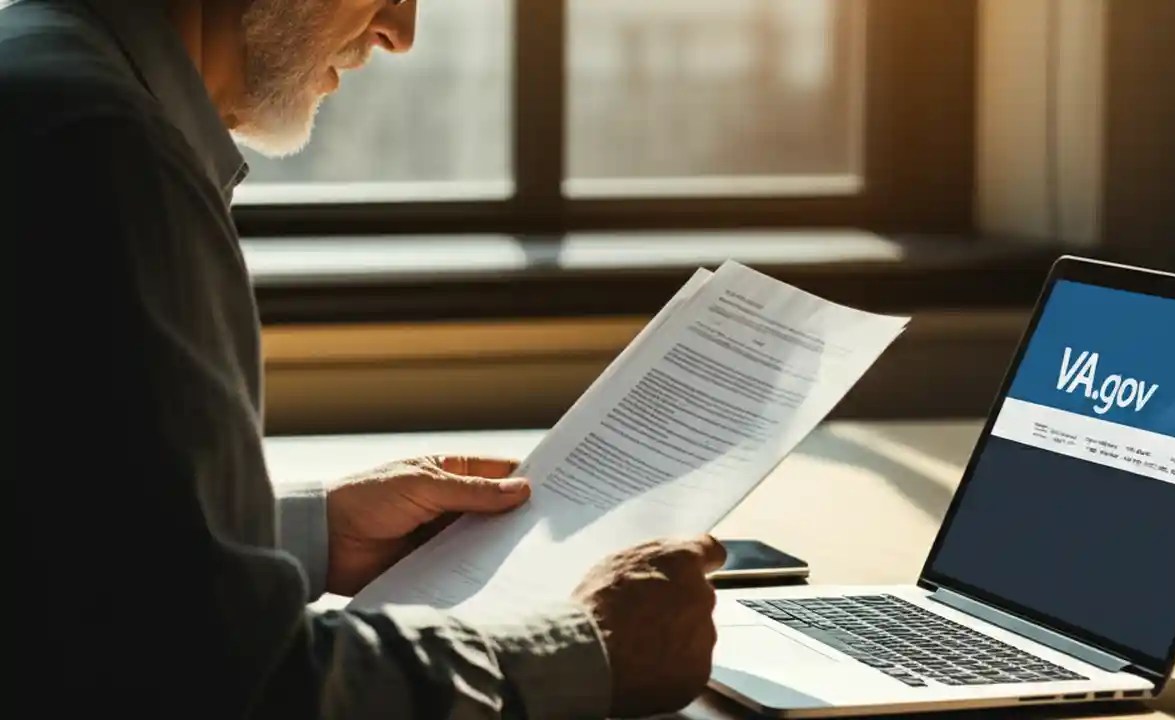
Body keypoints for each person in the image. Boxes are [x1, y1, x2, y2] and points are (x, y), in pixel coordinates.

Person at [1, 0, 727, 717]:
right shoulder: (100, 151)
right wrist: (582, 649)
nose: (400, 33)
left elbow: (68, 557)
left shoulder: (41, 76)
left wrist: (312, 533)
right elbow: (225, 686)